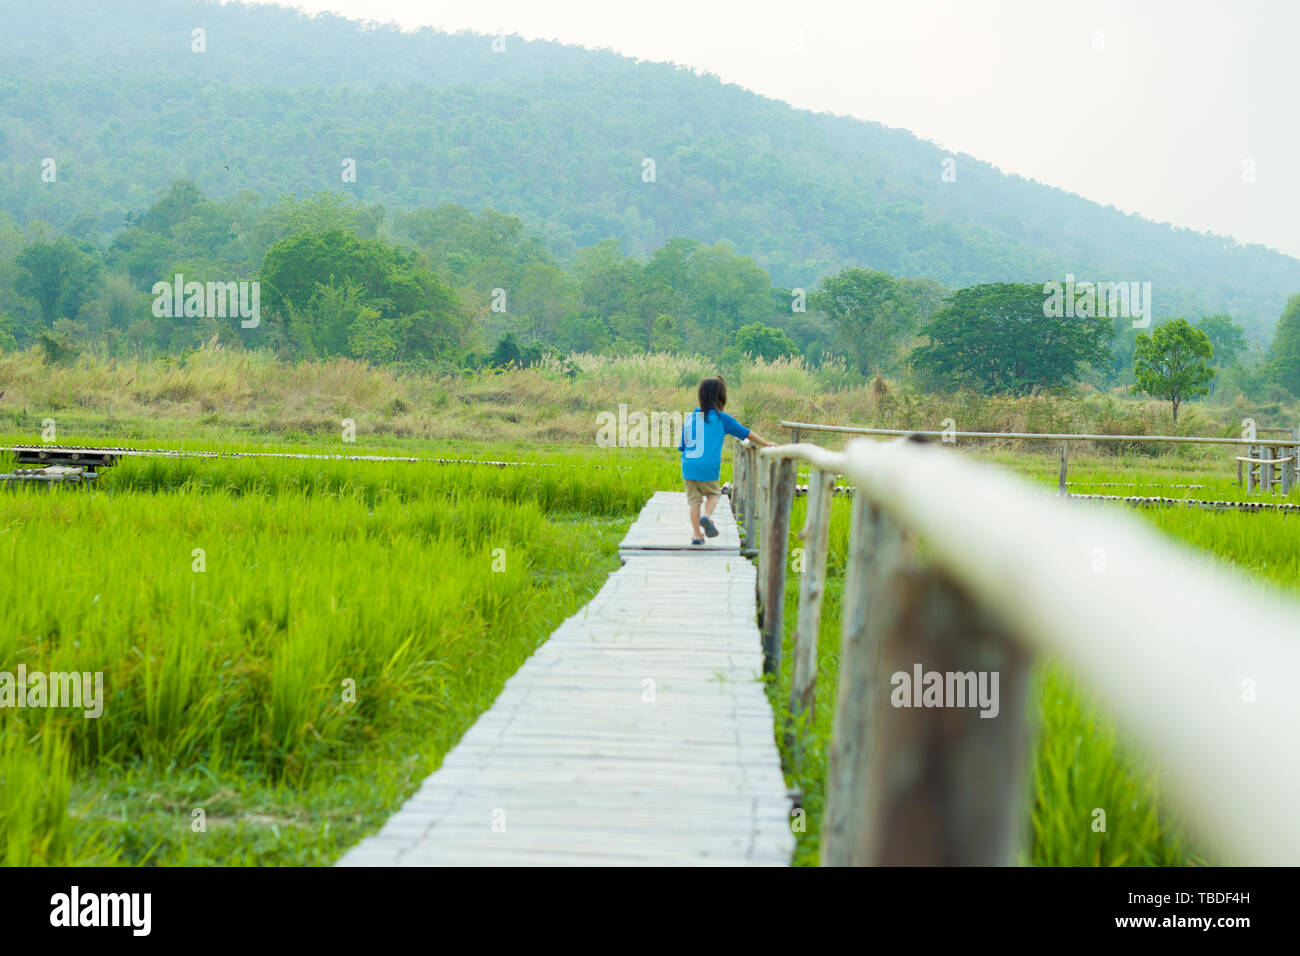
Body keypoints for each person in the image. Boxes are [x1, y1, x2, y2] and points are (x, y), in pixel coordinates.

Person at [678, 375, 775, 545]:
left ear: (701, 396)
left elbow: (682, 445)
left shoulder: (691, 418)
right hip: (708, 467)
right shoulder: (723, 419)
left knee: (694, 501)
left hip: (688, 466)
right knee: (714, 494)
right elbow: (746, 433)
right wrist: (767, 444)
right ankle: (706, 517)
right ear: (722, 397)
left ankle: (696, 535)